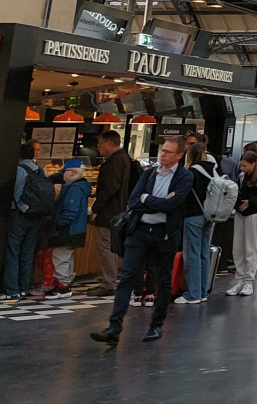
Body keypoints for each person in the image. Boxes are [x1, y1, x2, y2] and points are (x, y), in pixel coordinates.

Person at [90, 136, 192, 346]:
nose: (163, 154)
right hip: (140, 230)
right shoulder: (149, 174)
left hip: (164, 234)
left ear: (179, 155)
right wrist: (155, 201)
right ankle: (114, 327)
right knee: (127, 276)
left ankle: (156, 325)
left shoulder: (185, 176)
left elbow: (172, 205)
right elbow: (134, 200)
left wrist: (151, 200)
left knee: (163, 279)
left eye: (168, 152)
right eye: (163, 150)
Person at [1, 142, 53, 305]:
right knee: (28, 252)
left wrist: (16, 209)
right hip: (36, 216)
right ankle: (24, 287)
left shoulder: (20, 169)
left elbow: (16, 193)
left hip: (21, 215)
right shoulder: (41, 170)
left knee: (13, 250)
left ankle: (12, 291)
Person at [90, 129, 131, 298]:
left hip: (109, 213)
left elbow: (109, 188)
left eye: (100, 144)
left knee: (106, 247)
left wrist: (95, 209)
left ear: (108, 143)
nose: (98, 148)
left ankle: (108, 283)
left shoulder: (113, 162)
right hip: (119, 210)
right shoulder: (125, 159)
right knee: (112, 247)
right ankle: (110, 281)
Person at [226, 151, 257, 297]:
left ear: (253, 164)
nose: (242, 168)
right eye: (241, 165)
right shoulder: (242, 176)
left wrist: (251, 202)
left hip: (254, 214)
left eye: (245, 165)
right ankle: (240, 279)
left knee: (251, 248)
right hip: (241, 213)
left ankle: (249, 281)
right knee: (238, 247)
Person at [178, 141, 216, 305]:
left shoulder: (191, 172)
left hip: (193, 215)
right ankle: (202, 291)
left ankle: (193, 294)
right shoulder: (212, 170)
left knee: (192, 254)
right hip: (209, 216)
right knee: (203, 253)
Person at [49, 159, 91, 299]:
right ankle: (65, 284)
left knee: (61, 257)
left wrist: (58, 224)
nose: (62, 175)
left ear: (73, 172)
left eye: (64, 172)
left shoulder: (74, 189)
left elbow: (70, 211)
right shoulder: (81, 187)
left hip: (68, 229)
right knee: (67, 257)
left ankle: (62, 286)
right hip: (77, 229)